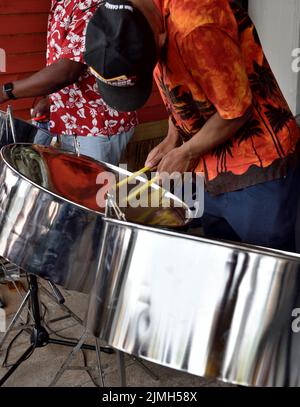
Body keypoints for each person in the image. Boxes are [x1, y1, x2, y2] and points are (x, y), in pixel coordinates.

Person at [84, 0, 300, 252]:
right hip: (208, 170)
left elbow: (237, 112)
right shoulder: (130, 19)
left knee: (267, 281)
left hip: (258, 171)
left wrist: (187, 152)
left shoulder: (198, 26)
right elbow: (184, 84)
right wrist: (172, 137)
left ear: (160, 37)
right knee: (224, 269)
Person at [0, 0, 138, 165]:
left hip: (96, 126)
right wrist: (54, 100)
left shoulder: (92, 5)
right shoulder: (62, 2)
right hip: (72, 123)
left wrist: (5, 92)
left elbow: (67, 70)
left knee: (89, 189)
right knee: (69, 188)